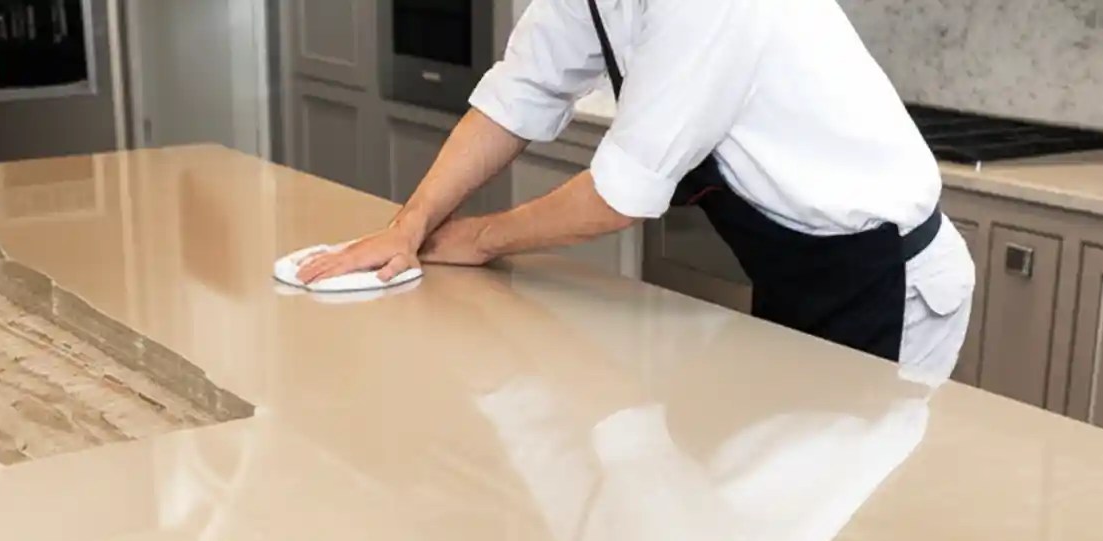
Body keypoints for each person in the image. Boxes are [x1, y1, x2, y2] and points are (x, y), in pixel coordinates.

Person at [296, 0, 975, 380]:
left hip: (888, 280)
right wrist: (407, 227)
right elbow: (518, 93)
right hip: (800, 270)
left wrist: (478, 237)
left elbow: (619, 196)